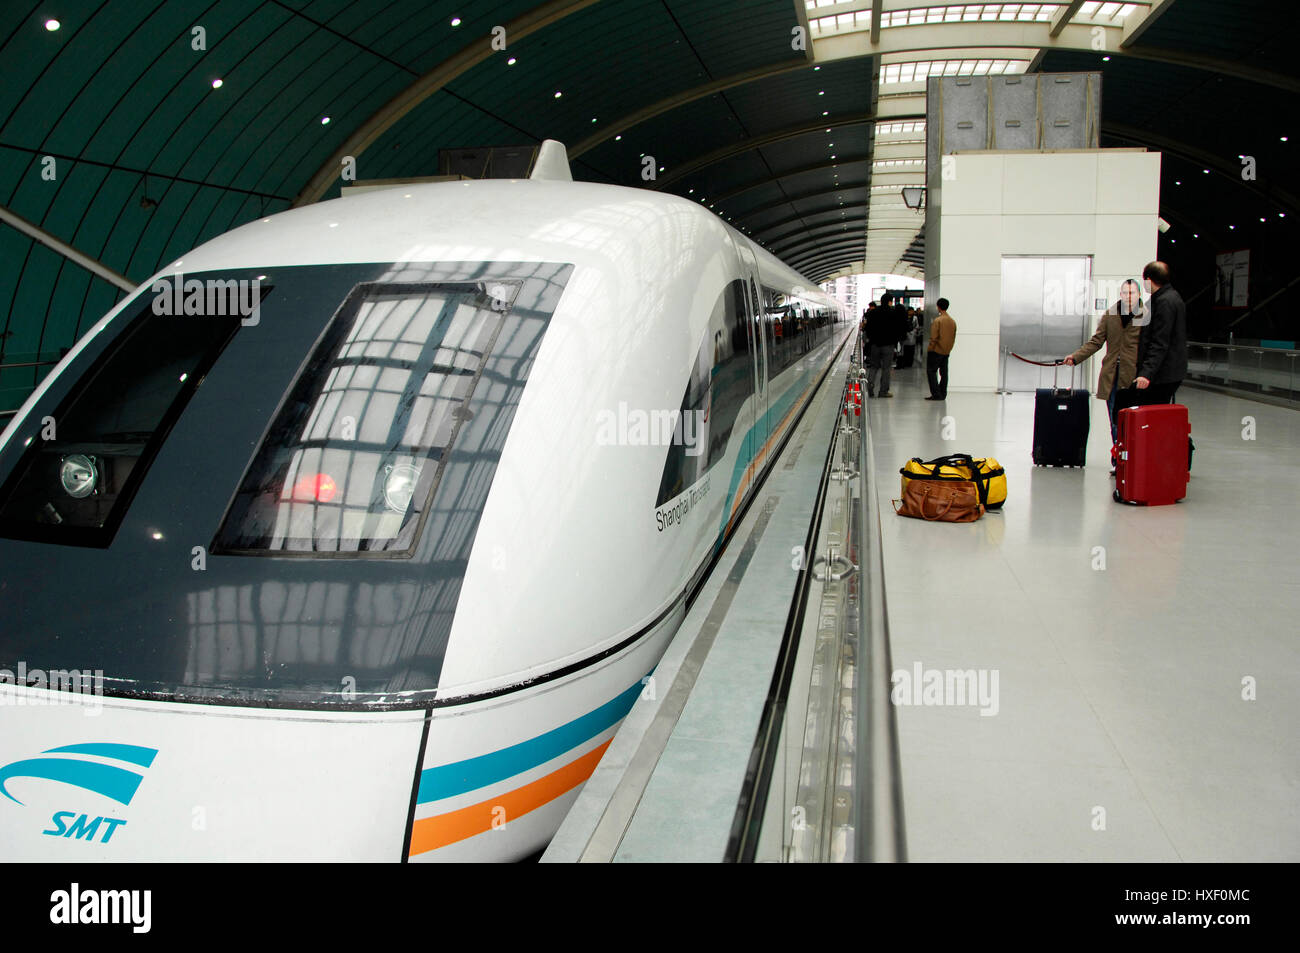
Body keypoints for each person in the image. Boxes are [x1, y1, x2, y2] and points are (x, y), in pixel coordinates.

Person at [1064, 279, 1143, 449]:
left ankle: (1133, 458)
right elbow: (1096, 342)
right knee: (1115, 420)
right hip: (1112, 376)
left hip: (1135, 377)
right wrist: (1076, 357)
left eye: (1132, 293)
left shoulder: (1145, 316)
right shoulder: (1110, 315)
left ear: (1139, 294)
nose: (1128, 297)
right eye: (1125, 293)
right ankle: (1118, 458)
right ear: (1120, 294)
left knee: (1136, 420)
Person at [1129, 261, 1187, 406]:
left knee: (1151, 414)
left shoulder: (1163, 302)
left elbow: (1160, 341)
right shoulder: (1173, 297)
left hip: (1162, 375)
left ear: (1149, 280)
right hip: (1170, 372)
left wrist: (1146, 373)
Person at [865, 293, 905, 397]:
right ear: (889, 302)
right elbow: (897, 328)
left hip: (875, 344)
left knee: (874, 367)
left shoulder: (872, 313)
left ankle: (869, 388)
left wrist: (872, 339)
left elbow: (867, 328)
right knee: (886, 368)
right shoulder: (893, 313)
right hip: (888, 345)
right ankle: (883, 391)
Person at [925, 298, 956, 400]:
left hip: (936, 350)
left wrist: (930, 348)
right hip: (946, 351)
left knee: (931, 371)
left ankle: (936, 394)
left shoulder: (938, 320)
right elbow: (953, 337)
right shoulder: (952, 321)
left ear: (938, 307)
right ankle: (943, 393)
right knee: (944, 373)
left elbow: (934, 337)